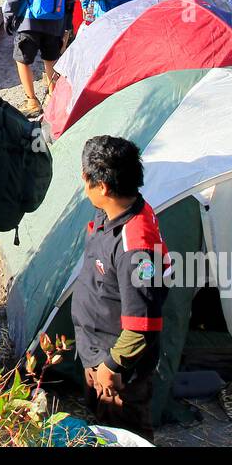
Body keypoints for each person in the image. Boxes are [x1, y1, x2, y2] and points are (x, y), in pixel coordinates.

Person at [70, 136, 170, 441]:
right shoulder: (111, 212)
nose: (83, 182)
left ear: (103, 187)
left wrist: (112, 367)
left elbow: (142, 325)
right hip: (96, 351)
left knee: (125, 435)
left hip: (117, 371)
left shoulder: (136, 246)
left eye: (86, 177)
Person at [2, 0, 79, 117]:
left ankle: (32, 101)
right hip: (54, 21)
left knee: (23, 61)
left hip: (28, 21)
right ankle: (53, 98)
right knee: (50, 59)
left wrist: (9, 16)